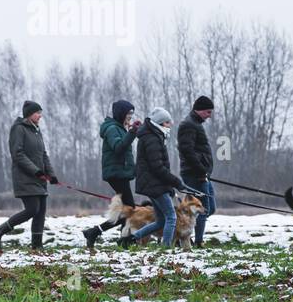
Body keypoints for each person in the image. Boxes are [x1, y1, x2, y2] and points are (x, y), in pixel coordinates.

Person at [0, 101, 57, 250]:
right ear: (29, 114)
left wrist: (51, 174)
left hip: (39, 179)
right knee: (32, 210)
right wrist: (36, 171)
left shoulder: (36, 130)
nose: (40, 116)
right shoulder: (18, 129)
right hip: (25, 178)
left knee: (40, 212)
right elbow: (17, 154)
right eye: (37, 113)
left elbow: (43, 155)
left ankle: (37, 246)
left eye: (40, 113)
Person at [122, 107, 186, 248]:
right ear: (162, 123)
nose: (171, 125)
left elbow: (159, 168)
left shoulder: (154, 136)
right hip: (154, 186)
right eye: (168, 122)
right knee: (171, 217)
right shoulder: (152, 138)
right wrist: (176, 182)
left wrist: (171, 186)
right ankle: (166, 248)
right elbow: (157, 168)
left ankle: (130, 239)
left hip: (155, 185)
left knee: (161, 221)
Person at [84, 99, 141, 248]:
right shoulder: (111, 129)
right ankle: (121, 240)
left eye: (132, 113)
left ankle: (97, 232)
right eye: (128, 113)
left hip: (121, 172)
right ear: (121, 113)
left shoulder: (119, 128)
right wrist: (132, 133)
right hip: (116, 173)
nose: (130, 116)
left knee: (128, 211)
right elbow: (119, 147)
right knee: (130, 210)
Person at [177, 95, 216, 247]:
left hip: (203, 175)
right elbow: (187, 151)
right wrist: (201, 170)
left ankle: (186, 235)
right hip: (195, 175)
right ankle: (197, 241)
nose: (209, 115)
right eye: (207, 112)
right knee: (202, 209)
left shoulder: (195, 123)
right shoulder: (188, 125)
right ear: (199, 110)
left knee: (209, 208)